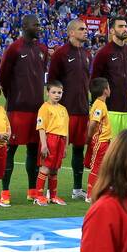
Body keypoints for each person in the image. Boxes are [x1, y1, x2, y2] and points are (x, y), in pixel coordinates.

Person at [0, 14, 51, 204]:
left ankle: (32, 190)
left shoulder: (42, 49)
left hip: (37, 109)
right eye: (36, 24)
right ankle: (4, 191)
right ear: (25, 25)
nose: (39, 27)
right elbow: (3, 76)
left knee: (33, 150)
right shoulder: (14, 49)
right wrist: (13, 96)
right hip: (16, 109)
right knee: (10, 149)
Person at [47, 19, 93, 200]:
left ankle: (76, 189)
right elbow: (52, 81)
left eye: (86, 29)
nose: (86, 31)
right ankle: (51, 190)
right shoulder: (61, 54)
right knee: (56, 150)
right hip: (63, 111)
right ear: (71, 32)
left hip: (82, 109)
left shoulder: (87, 54)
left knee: (79, 150)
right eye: (82, 29)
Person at [90, 15, 127, 135]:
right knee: (109, 150)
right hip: (110, 110)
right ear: (112, 30)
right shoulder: (103, 53)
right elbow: (94, 82)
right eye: (121, 26)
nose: (125, 29)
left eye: (126, 26)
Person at [35, 81, 69, 206]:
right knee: (45, 167)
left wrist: (65, 146)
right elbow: (41, 127)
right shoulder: (44, 108)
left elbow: (66, 129)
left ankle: (53, 196)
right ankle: (39, 196)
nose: (57, 95)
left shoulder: (63, 109)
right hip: (50, 140)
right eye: (54, 92)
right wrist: (44, 144)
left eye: (59, 92)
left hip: (61, 140)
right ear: (47, 93)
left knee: (55, 170)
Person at [85, 78, 112, 201]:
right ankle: (90, 195)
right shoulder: (100, 105)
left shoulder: (99, 104)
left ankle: (99, 190)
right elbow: (93, 123)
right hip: (100, 141)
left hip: (104, 141)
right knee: (96, 167)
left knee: (102, 167)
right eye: (109, 87)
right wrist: (90, 137)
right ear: (105, 90)